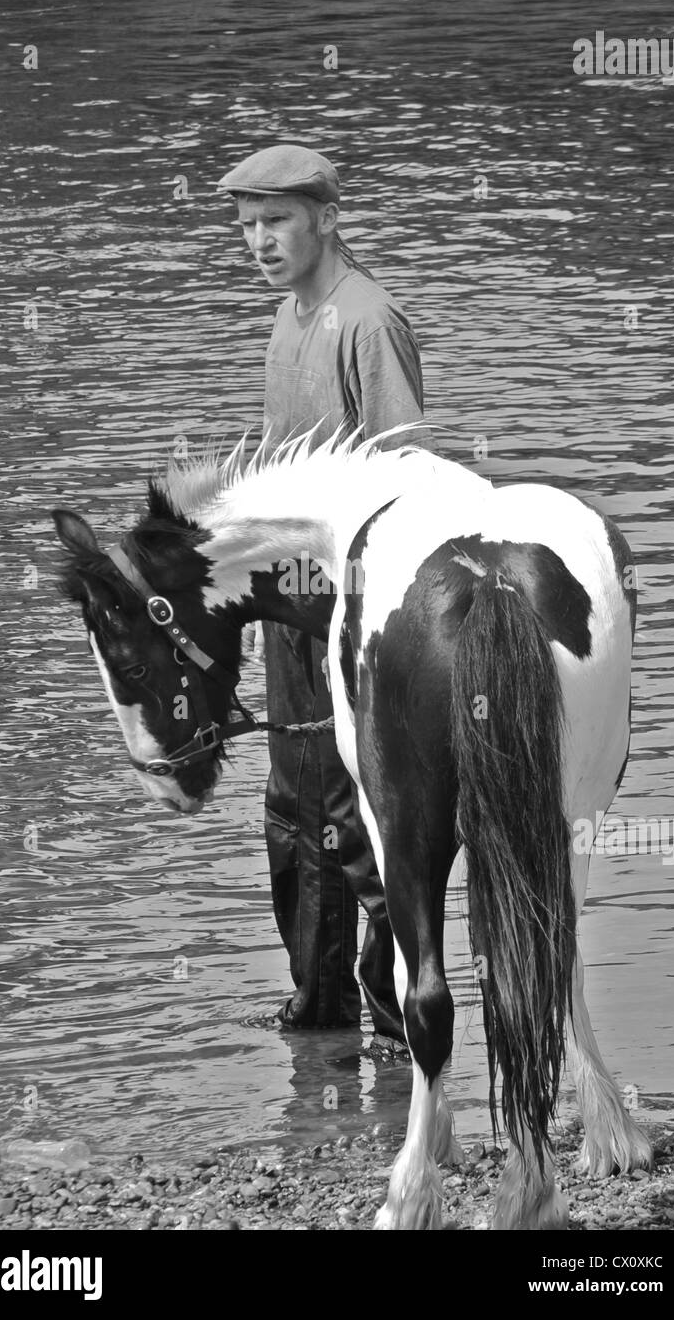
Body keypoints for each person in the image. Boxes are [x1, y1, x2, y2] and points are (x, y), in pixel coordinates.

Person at [217, 143, 433, 1050]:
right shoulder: (288, 317)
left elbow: (409, 482)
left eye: (278, 222)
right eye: (249, 226)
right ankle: (317, 1023)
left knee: (357, 819)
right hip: (291, 607)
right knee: (293, 808)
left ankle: (397, 1033)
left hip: (353, 613)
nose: (261, 241)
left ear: (326, 219)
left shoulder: (367, 321)